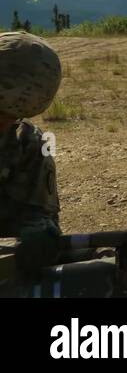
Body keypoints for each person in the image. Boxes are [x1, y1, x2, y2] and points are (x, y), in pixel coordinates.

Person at [0, 32, 62, 238]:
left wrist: (38, 236)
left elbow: (41, 217)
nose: (5, 125)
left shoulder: (30, 142)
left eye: (13, 117)